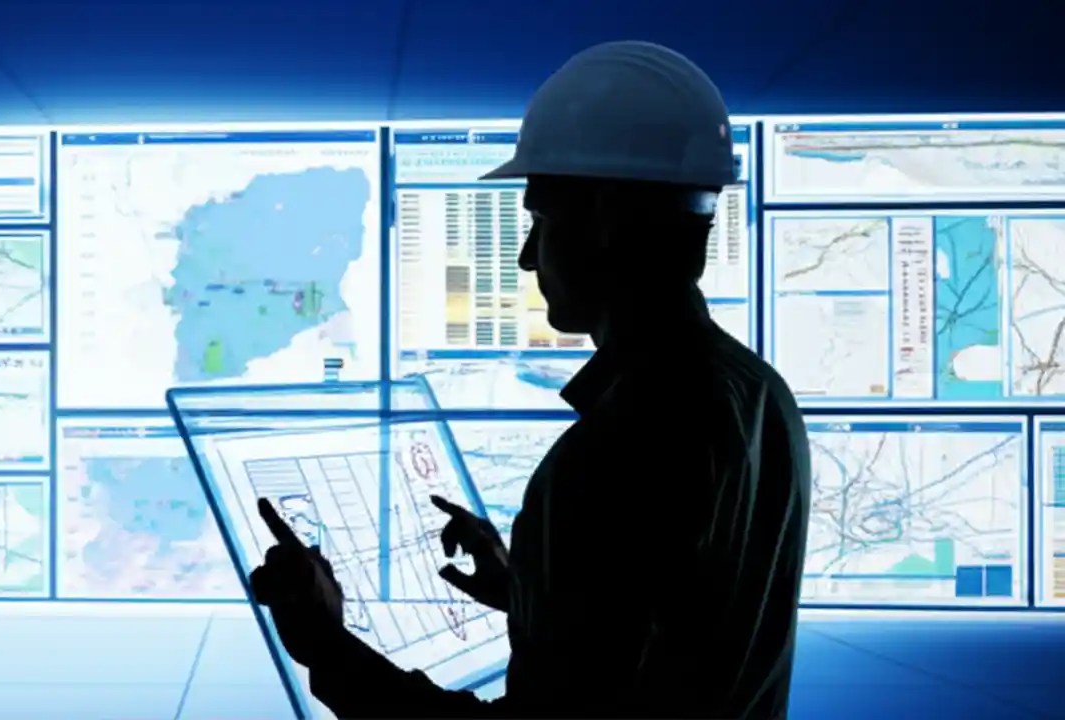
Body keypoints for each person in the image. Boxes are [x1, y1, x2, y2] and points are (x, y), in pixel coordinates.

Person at [249, 40, 812, 719]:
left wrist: (323, 644)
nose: (523, 257)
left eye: (539, 223)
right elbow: (683, 623)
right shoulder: (762, 395)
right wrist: (531, 589)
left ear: (602, 221)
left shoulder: (610, 455)